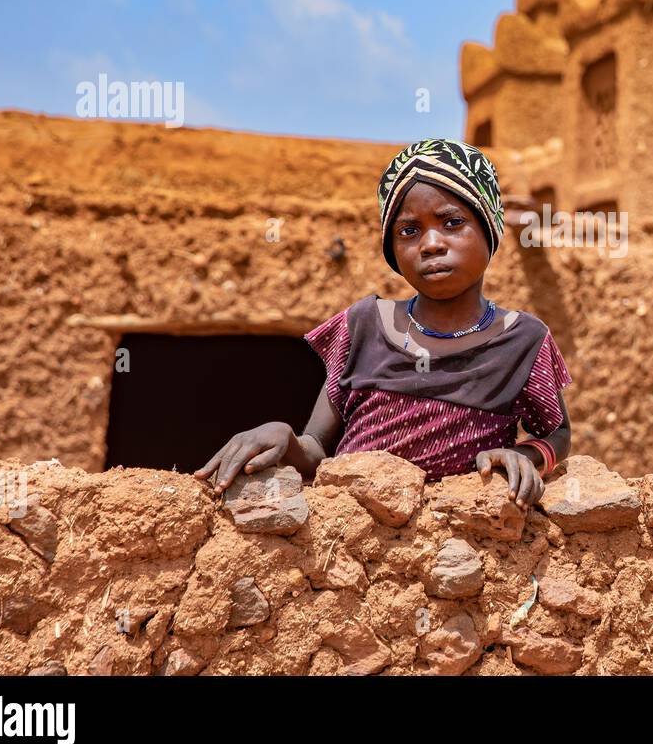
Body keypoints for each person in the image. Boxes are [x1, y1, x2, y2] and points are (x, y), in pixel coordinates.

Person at [194, 138, 572, 511]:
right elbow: (316, 449)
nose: (432, 244)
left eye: (452, 222)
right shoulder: (363, 326)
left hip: (458, 549)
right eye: (409, 231)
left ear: (489, 226)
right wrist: (284, 437)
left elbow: (557, 432)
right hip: (356, 549)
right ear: (392, 249)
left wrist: (524, 454)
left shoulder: (523, 340)